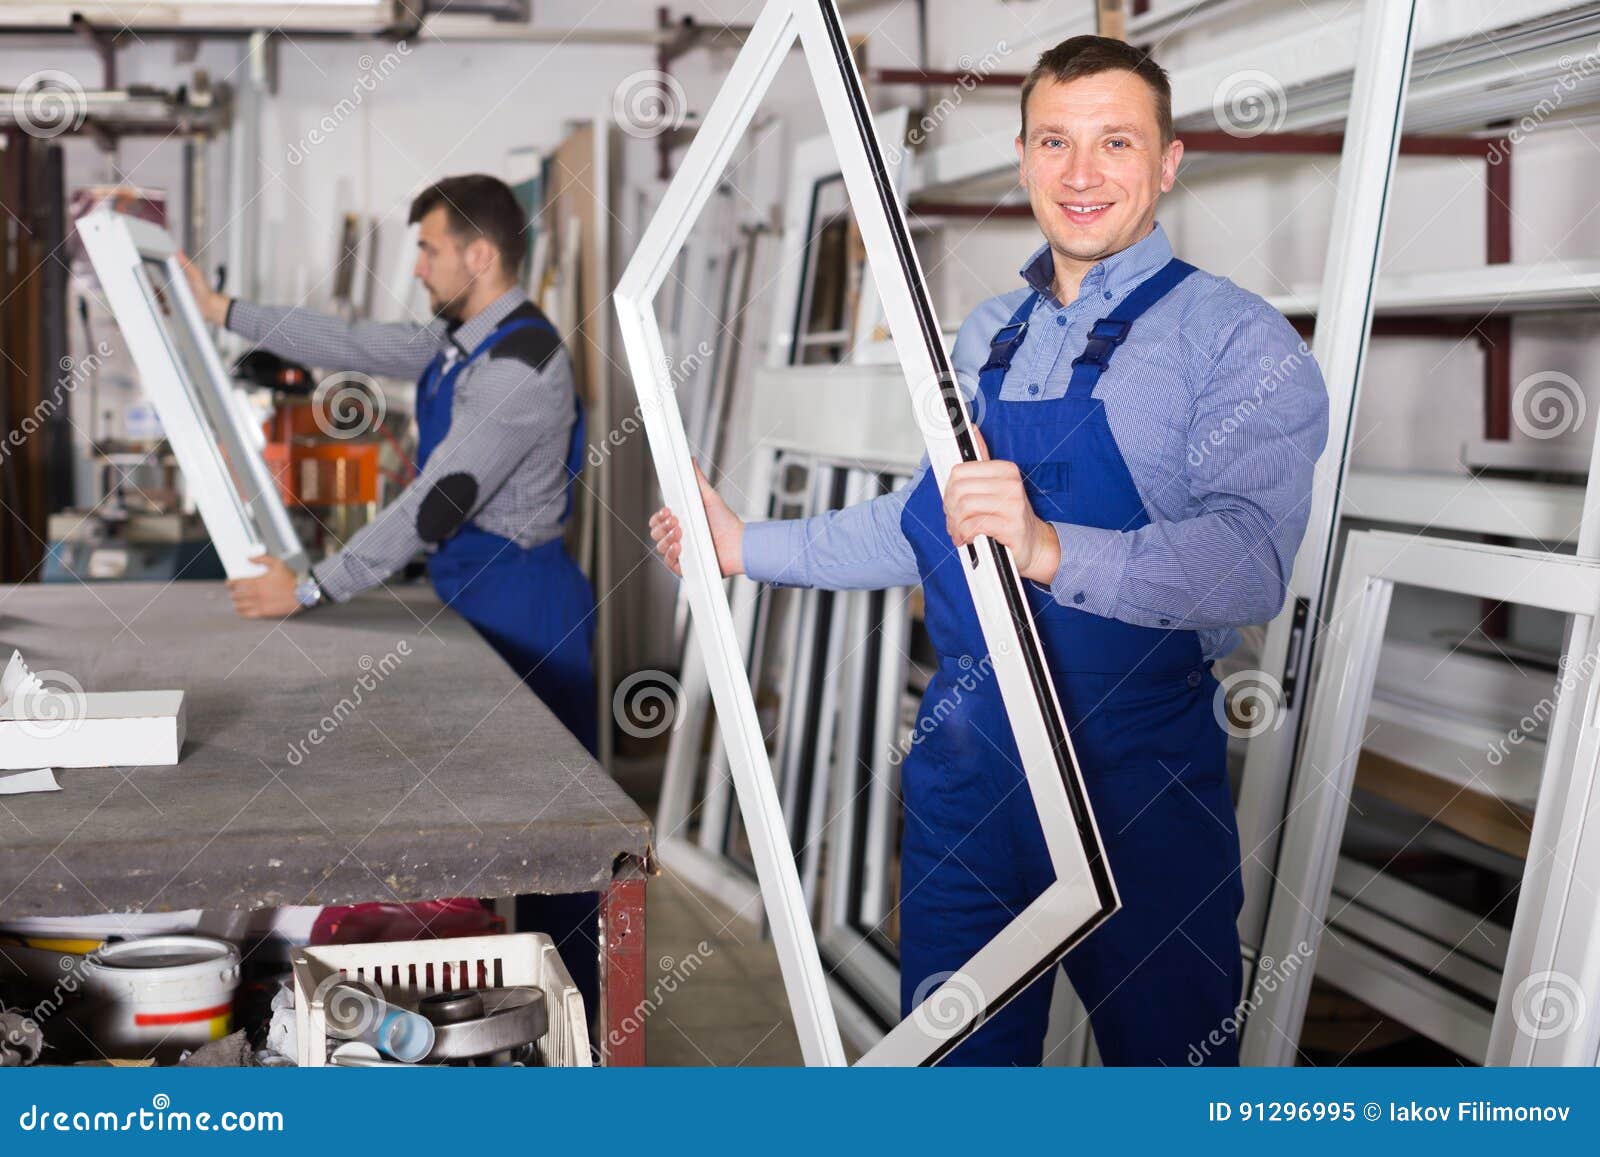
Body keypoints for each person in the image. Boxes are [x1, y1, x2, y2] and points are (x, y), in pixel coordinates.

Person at [649, 36, 1329, 1065]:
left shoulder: (1234, 339)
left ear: (1168, 161)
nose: (1080, 172)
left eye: (1114, 142)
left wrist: (1052, 545)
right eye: (1054, 140)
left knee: (1169, 1071)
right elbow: (927, 520)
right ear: (1021, 156)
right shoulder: (985, 335)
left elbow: (1247, 566)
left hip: (1133, 774)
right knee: (953, 1072)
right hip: (969, 764)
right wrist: (746, 544)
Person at [185, 174, 596, 753]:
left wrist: (308, 590)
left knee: (548, 785)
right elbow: (350, 341)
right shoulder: (461, 338)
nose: (417, 268)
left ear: (478, 256)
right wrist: (223, 311)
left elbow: (435, 503)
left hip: (522, 606)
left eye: (429, 250)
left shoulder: (516, 367)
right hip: (471, 586)